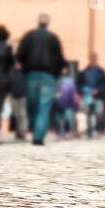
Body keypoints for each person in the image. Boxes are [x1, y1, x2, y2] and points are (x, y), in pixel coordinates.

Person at [16, 14, 66, 145]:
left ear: (38, 22)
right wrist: (57, 73)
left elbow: (20, 55)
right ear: (48, 23)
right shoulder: (53, 38)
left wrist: (25, 67)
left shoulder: (29, 36)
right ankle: (38, 135)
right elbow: (60, 59)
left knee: (32, 105)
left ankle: (35, 130)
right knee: (43, 106)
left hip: (31, 74)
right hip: (48, 76)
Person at [78, 54, 105, 137]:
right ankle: (89, 132)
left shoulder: (101, 71)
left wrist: (98, 90)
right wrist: (84, 90)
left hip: (98, 96)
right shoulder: (84, 71)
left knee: (98, 114)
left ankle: (98, 130)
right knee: (88, 113)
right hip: (87, 96)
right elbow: (79, 84)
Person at [53, 71, 78, 141]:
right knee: (61, 119)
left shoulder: (67, 82)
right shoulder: (57, 80)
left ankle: (63, 134)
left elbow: (73, 93)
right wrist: (74, 105)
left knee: (62, 119)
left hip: (63, 103)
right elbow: (73, 94)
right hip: (64, 103)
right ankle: (62, 134)